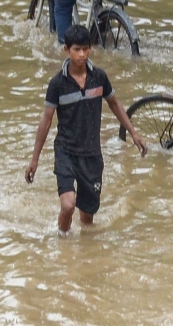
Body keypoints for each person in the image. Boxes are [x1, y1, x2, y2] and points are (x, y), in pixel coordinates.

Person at [25, 25, 147, 232]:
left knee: (87, 217)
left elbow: (115, 104)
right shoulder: (57, 84)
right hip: (66, 151)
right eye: (76, 50)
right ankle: (62, 241)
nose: (81, 55)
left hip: (91, 154)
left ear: (90, 49)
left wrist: (133, 133)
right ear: (67, 50)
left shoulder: (99, 77)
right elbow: (46, 121)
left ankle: (83, 253)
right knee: (68, 205)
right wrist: (35, 159)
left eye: (85, 49)